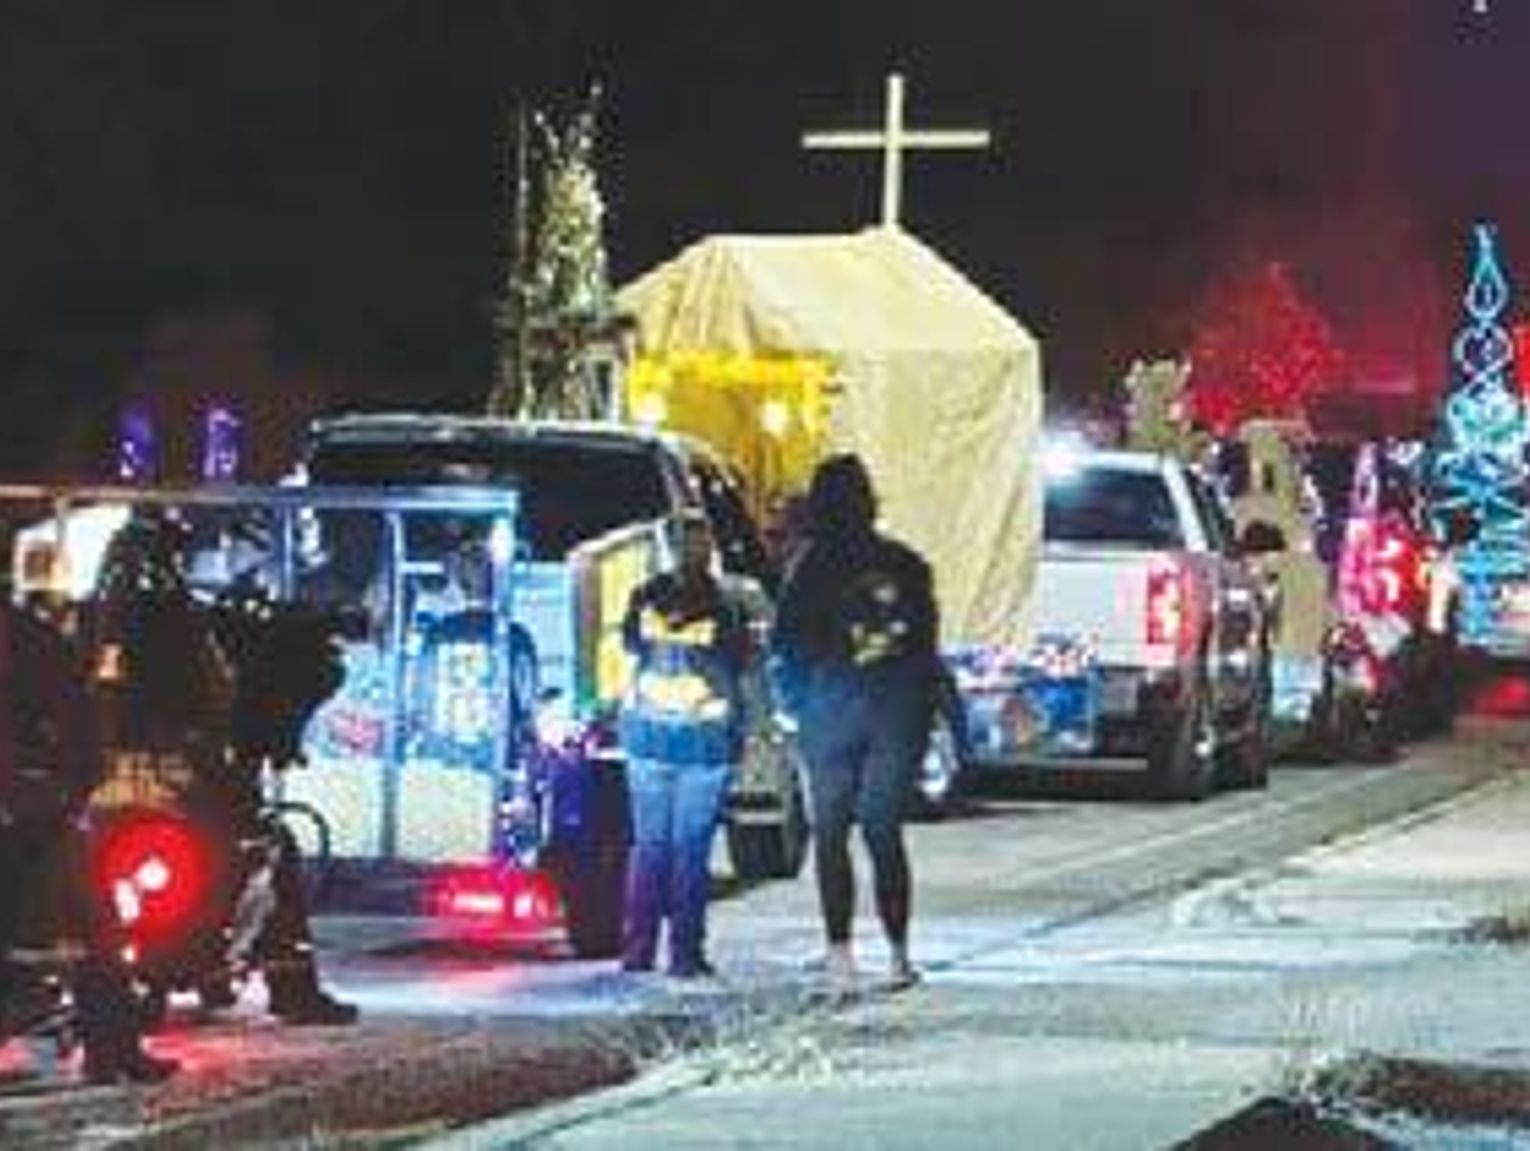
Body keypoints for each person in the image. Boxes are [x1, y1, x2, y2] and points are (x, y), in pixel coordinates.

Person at [89, 512, 357, 1026]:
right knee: (271, 849)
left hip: (120, 780)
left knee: (264, 848)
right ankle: (292, 987)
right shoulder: (183, 621)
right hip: (182, 776)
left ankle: (281, 979)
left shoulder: (100, 619)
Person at [771, 454, 938, 994]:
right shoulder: (908, 565)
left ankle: (840, 954)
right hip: (895, 712)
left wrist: (797, 705)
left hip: (831, 708)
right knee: (884, 831)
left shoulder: (811, 569)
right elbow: (925, 650)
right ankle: (898, 954)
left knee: (831, 832)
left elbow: (786, 643)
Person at [0, 598, 178, 1084]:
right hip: (34, 807)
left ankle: (114, 1047)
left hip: (35, 805)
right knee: (87, 928)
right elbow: (75, 716)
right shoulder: (31, 639)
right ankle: (114, 1048)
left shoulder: (28, 639)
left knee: (87, 928)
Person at [617, 511, 749, 978]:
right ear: (708, 549)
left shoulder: (643, 597)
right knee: (689, 852)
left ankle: (637, 951)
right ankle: (685, 955)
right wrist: (740, 734)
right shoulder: (725, 604)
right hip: (702, 743)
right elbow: (737, 668)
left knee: (650, 847)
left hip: (649, 735)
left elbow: (629, 647)